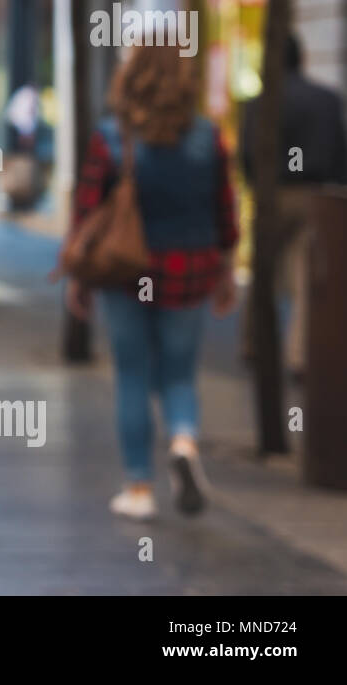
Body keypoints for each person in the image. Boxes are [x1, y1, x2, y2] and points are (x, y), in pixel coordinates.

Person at [65, 42, 238, 521]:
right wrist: (226, 268)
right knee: (180, 373)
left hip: (126, 271)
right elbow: (224, 210)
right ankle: (183, 441)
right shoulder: (208, 138)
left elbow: (86, 213)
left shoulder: (111, 137)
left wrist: (79, 279)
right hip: (190, 271)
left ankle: (139, 488)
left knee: (133, 375)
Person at [240, 33, 347, 378]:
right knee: (304, 277)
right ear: (301, 58)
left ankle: (255, 342)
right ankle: (298, 353)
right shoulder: (326, 99)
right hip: (314, 193)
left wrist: (255, 183)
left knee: (264, 271)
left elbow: (247, 154)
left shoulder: (258, 103)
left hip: (272, 193)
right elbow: (339, 152)